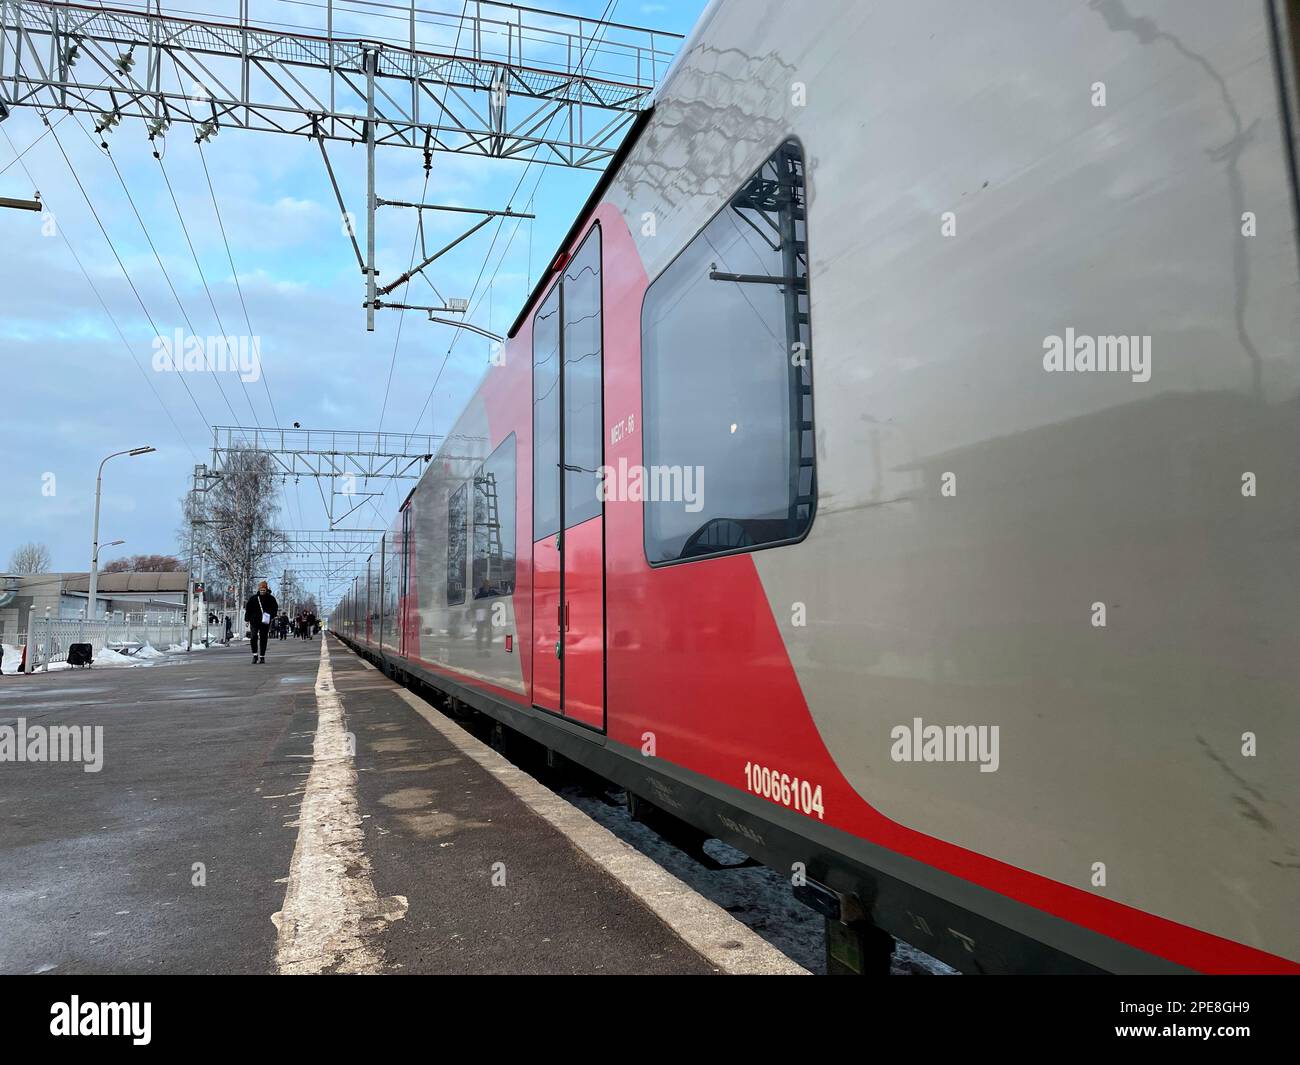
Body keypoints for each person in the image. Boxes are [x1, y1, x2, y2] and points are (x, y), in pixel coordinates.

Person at [243, 581, 278, 665]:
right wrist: (247, 619)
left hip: (265, 622)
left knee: (263, 638)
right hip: (254, 621)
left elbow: (275, 609)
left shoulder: (271, 599)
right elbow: (248, 609)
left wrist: (271, 616)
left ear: (266, 589)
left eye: (264, 590)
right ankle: (255, 655)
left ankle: (262, 656)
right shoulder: (253, 598)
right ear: (259, 589)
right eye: (261, 590)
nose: (262, 591)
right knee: (253, 636)